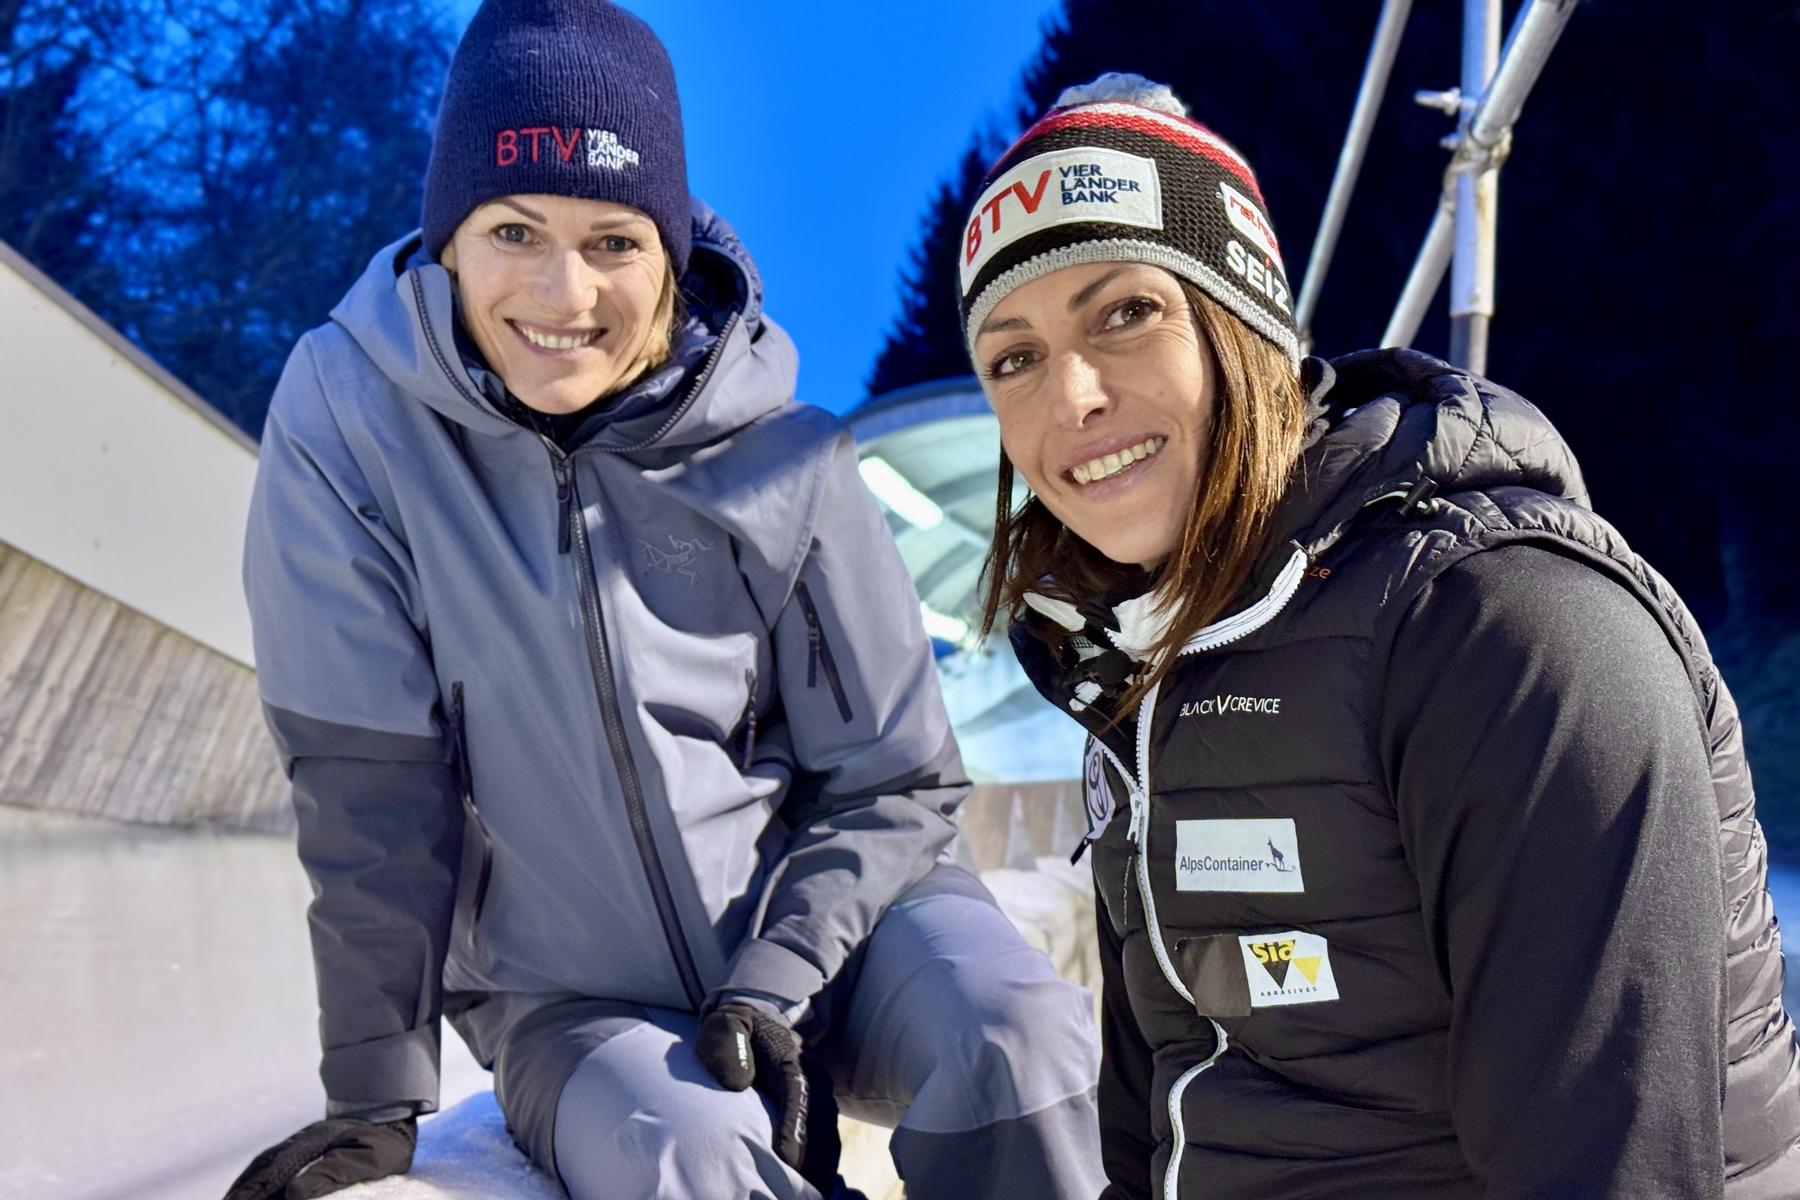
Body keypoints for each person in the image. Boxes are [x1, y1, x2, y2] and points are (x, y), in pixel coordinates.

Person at [221, 4, 1107, 1198]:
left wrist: (776, 977)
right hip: (574, 997)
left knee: (1018, 1036)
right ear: (448, 240)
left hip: (849, 936)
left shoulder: (784, 456)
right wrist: (375, 1092)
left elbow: (896, 776)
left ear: (670, 255)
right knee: (684, 1153)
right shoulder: (351, 426)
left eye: (612, 243)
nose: (562, 291)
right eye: (514, 231)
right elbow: (371, 791)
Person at [960, 72, 1800, 1198]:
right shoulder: (1138, 681)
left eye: (1126, 312)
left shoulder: (1503, 629)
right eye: (1012, 357)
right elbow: (1152, 1119)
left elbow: (1613, 1166)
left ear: (1242, 320)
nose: (1072, 397)